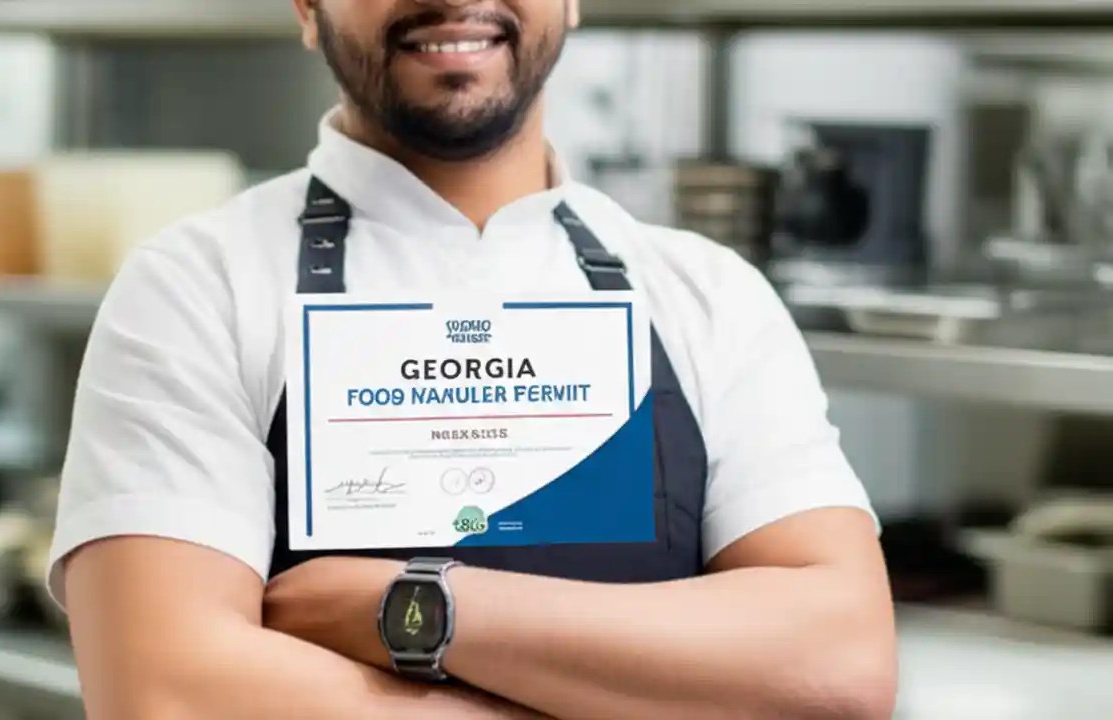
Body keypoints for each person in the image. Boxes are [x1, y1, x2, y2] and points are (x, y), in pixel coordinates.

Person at [50, 1, 898, 717]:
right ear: (306, 6)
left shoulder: (707, 292)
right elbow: (168, 692)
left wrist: (413, 609)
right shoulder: (196, 287)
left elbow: (840, 659)